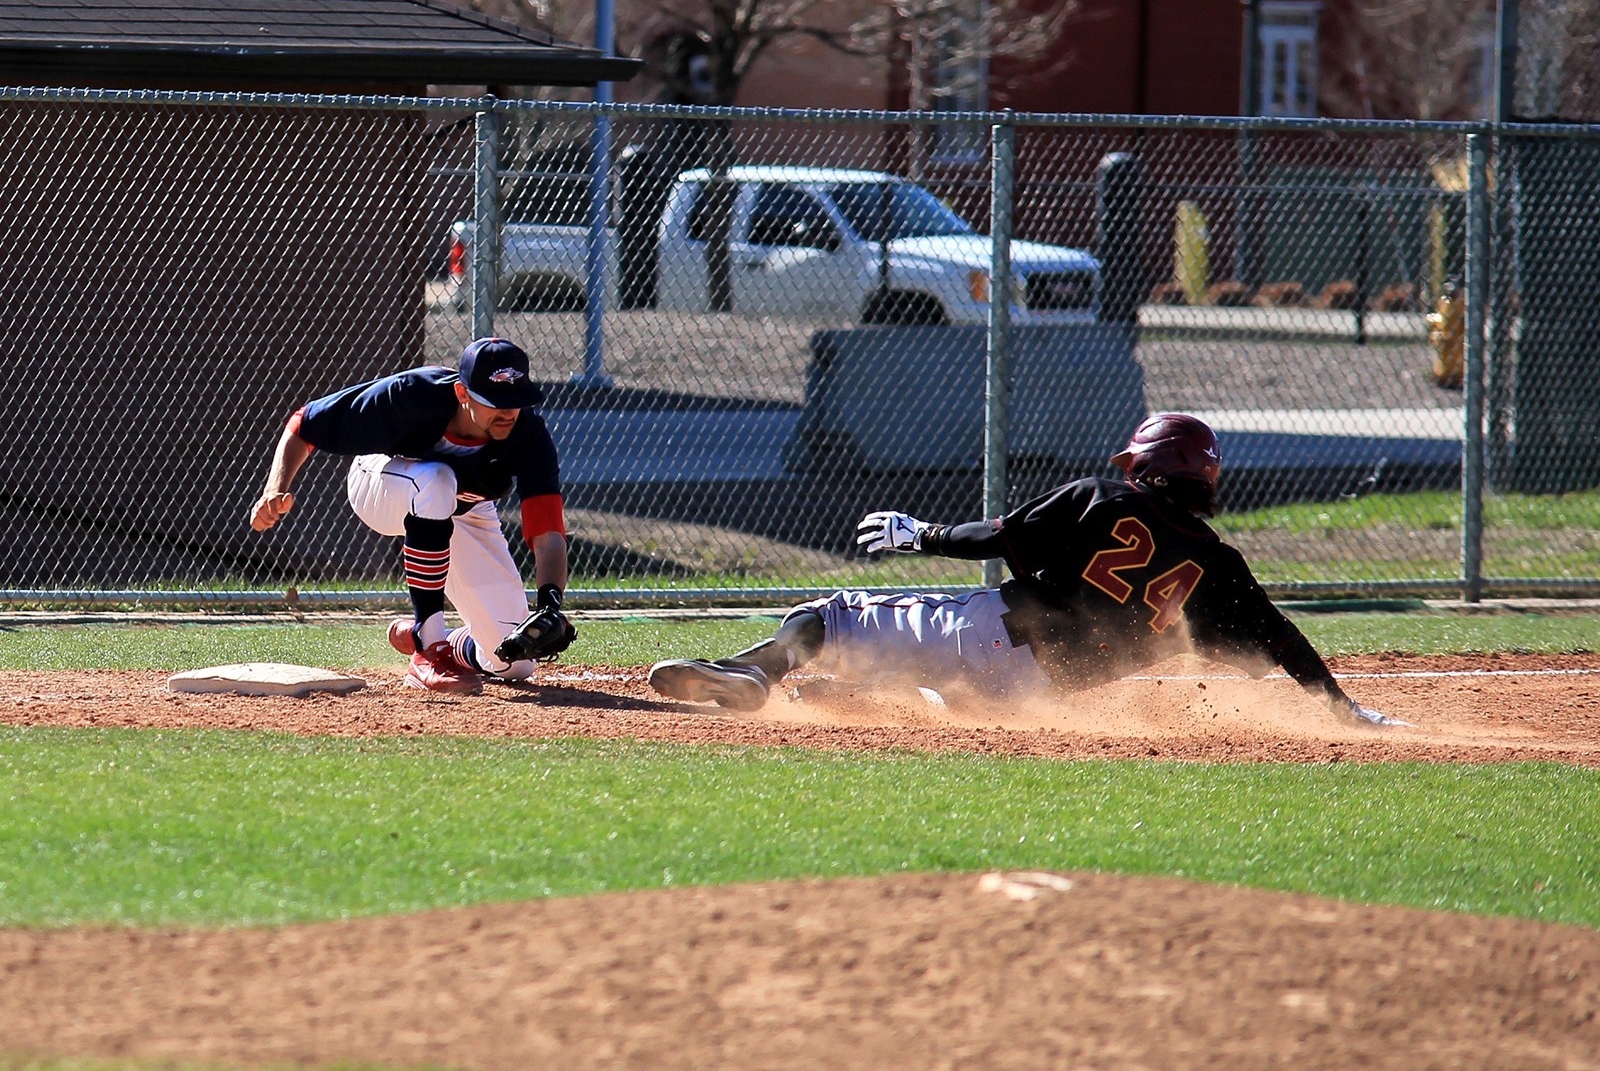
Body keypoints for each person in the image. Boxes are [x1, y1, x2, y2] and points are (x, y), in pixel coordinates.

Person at [649, 412, 1410, 728]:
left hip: (996, 634)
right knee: (938, 698)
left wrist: (926, 533)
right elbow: (1279, 641)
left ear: (1147, 464)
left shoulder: (1105, 494)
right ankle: (854, 698)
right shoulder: (1219, 563)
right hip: (1039, 696)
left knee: (830, 616)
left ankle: (752, 676)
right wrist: (1344, 708)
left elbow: (998, 536)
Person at [248, 337, 575, 694]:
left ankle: (445, 641)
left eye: (516, 400)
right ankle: (428, 647)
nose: (508, 412)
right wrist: (273, 489)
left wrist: (550, 604)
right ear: (463, 394)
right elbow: (304, 423)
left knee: (514, 661)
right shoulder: (411, 395)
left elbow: (548, 533)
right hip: (380, 484)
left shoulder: (528, 435)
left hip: (465, 508)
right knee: (436, 479)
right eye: (495, 402)